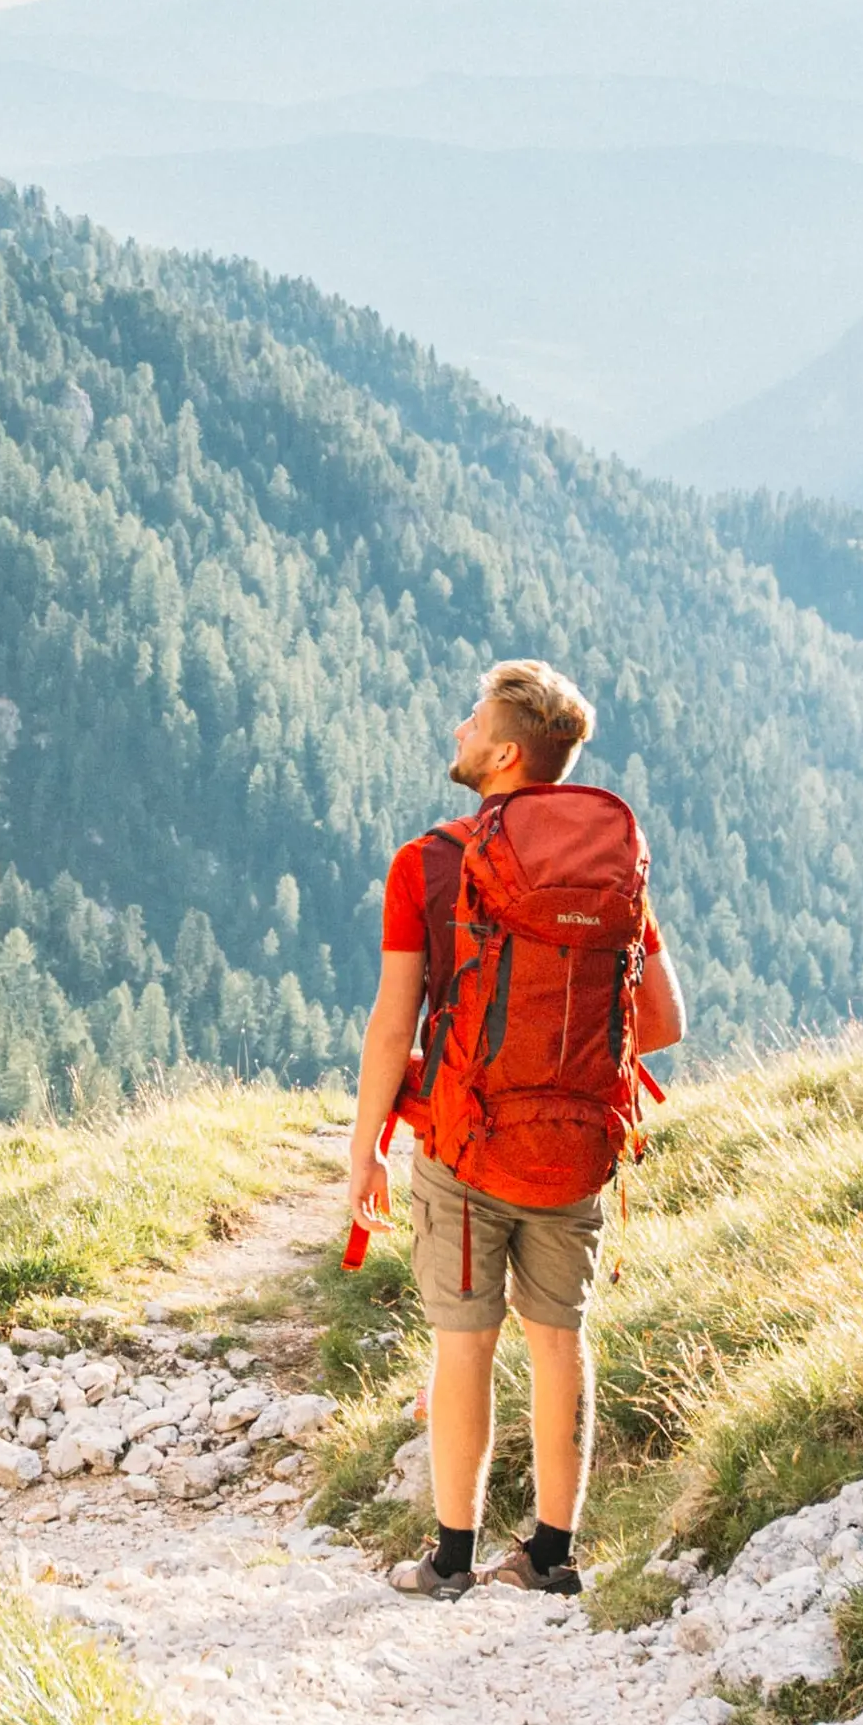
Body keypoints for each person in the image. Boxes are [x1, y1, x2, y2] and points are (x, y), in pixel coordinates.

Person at [347, 658, 681, 1600]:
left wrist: (367, 1144)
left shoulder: (431, 860)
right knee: (559, 1342)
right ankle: (552, 1553)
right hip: (575, 1148)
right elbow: (663, 1021)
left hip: (464, 1142)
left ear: (502, 752)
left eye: (471, 720)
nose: (457, 729)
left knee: (466, 1345)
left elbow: (394, 1017)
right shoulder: (611, 860)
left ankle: (451, 1557)